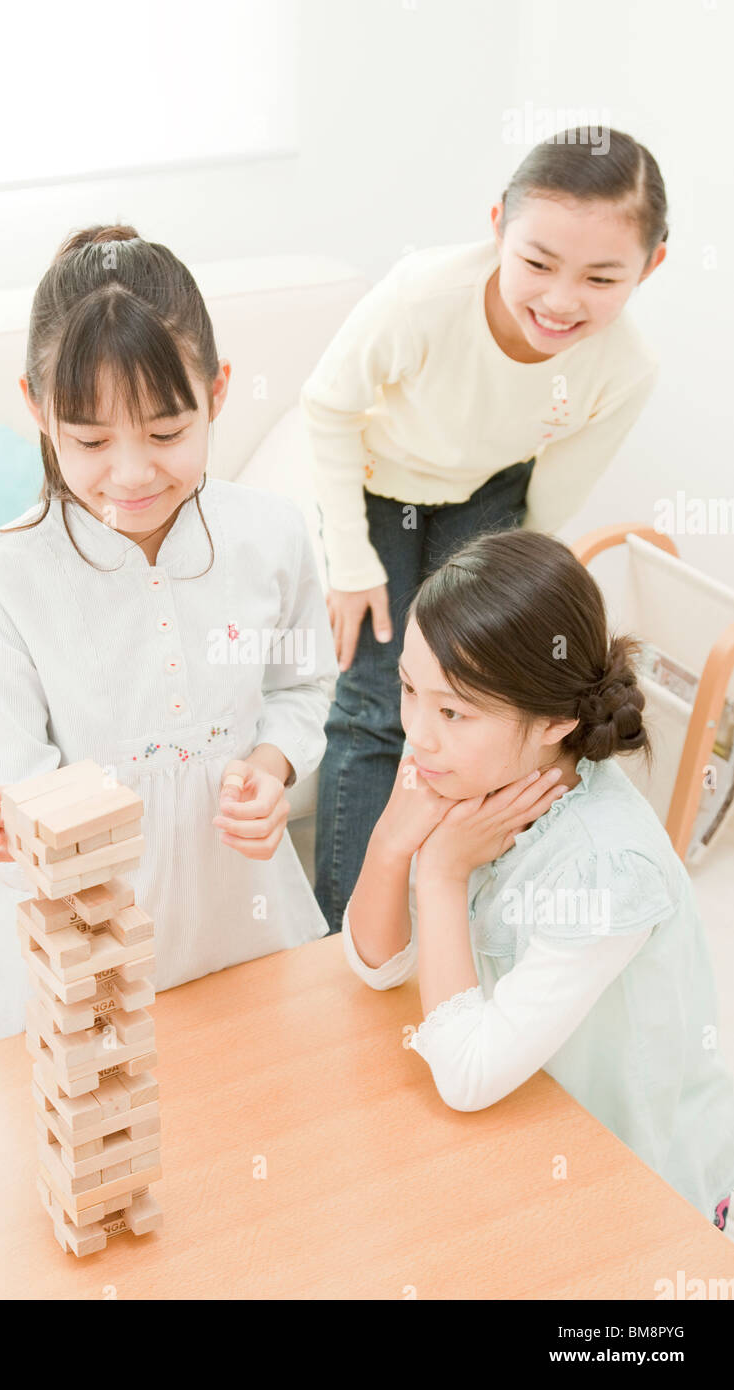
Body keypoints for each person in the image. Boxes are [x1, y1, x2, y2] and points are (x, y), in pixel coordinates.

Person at [0, 223, 338, 1059]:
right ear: (37, 409)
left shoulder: (271, 532)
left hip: (241, 909)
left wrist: (270, 768)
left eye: (164, 434)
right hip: (84, 924)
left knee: (263, 1111)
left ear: (217, 393)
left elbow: (303, 686)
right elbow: (7, 770)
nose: (130, 474)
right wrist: (9, 819)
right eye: (87, 441)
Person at [302, 128, 668, 934]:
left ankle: (455, 906)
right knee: (374, 700)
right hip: (377, 483)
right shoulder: (422, 297)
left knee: (480, 700)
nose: (561, 300)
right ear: (497, 225)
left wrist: (511, 594)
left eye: (602, 276)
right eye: (537, 263)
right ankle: (344, 929)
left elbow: (551, 495)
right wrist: (352, 560)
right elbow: (326, 409)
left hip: (489, 492)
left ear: (651, 266)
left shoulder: (625, 366)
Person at [345, 528, 734, 1237]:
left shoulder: (603, 868)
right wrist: (389, 844)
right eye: (408, 688)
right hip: (530, 1128)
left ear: (555, 720)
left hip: (638, 1186)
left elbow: (465, 1075)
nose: (417, 733)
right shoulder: (465, 764)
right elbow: (378, 969)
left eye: (451, 710)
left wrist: (438, 872)